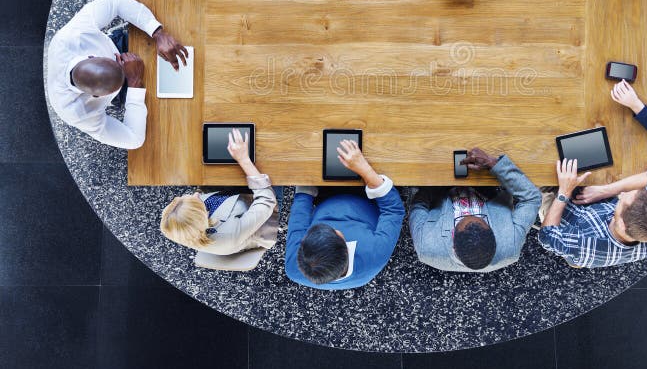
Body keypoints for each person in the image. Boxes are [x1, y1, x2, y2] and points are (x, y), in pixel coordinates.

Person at [47, 0, 186, 149]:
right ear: (97, 96)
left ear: (92, 56)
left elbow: (116, 1)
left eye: (116, 62)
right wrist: (134, 83)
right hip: (128, 88)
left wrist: (158, 33)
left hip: (118, 48)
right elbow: (134, 140)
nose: (125, 66)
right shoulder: (76, 113)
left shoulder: (70, 36)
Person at [285, 140, 404, 290]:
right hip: (369, 195)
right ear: (346, 247)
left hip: (324, 196)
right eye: (333, 232)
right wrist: (366, 171)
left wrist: (307, 173)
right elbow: (393, 210)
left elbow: (298, 220)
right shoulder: (374, 256)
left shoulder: (293, 267)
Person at [409, 148, 542, 272]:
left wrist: (438, 177)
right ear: (494, 235)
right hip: (489, 179)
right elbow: (531, 198)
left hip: (442, 184)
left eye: (462, 219)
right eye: (480, 218)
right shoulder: (511, 245)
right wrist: (493, 164)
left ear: (453, 243)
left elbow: (418, 205)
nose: (468, 213)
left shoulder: (426, 247)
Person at [160, 129, 279, 254]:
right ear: (202, 216)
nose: (196, 194)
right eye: (196, 202)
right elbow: (267, 199)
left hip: (231, 199)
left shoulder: (183, 229)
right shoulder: (230, 233)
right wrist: (243, 160)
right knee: (273, 166)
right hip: (264, 210)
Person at [538, 159, 647, 268]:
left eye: (622, 202)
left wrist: (564, 192)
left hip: (563, 217)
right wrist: (606, 190)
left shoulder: (586, 246)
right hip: (593, 203)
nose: (622, 194)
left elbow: (547, 236)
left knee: (535, 179)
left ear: (622, 224)